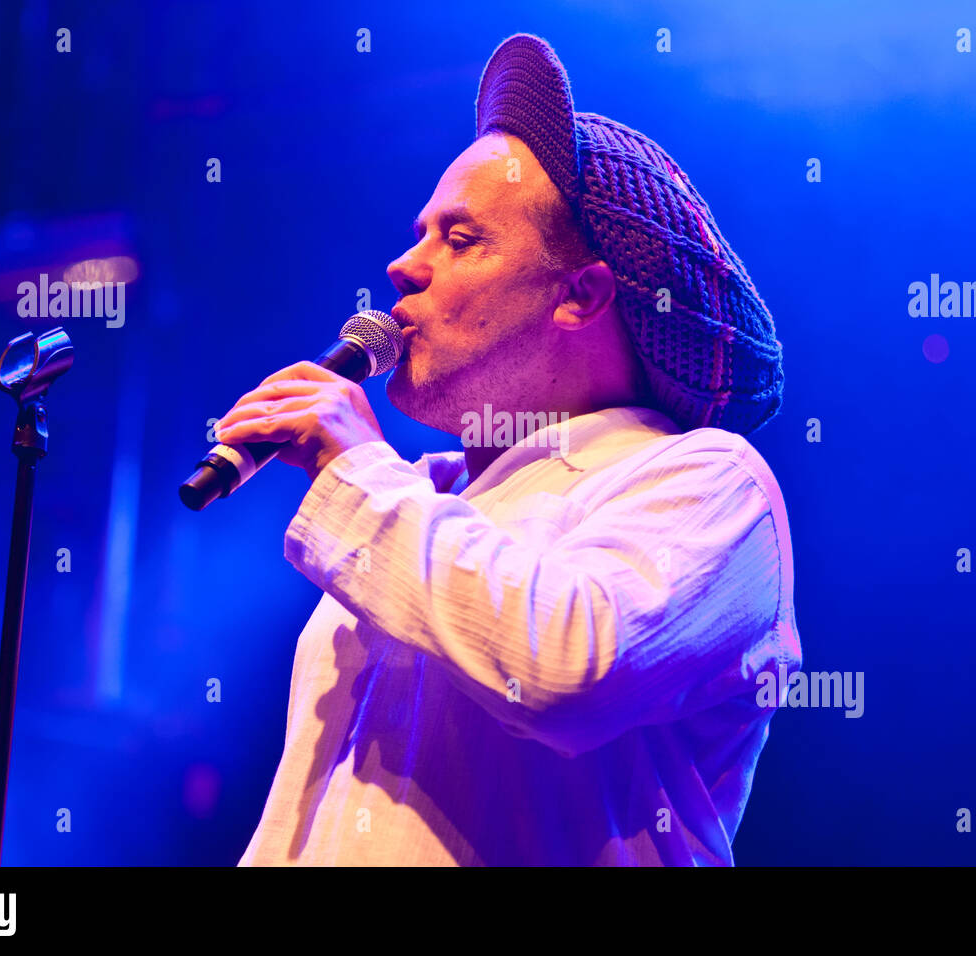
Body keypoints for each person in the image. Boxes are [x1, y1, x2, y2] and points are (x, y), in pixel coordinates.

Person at [220, 33, 801, 865]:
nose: (401, 266)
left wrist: (356, 472)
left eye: (459, 241)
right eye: (420, 234)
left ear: (580, 296)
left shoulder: (707, 482)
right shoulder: (424, 497)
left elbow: (565, 668)